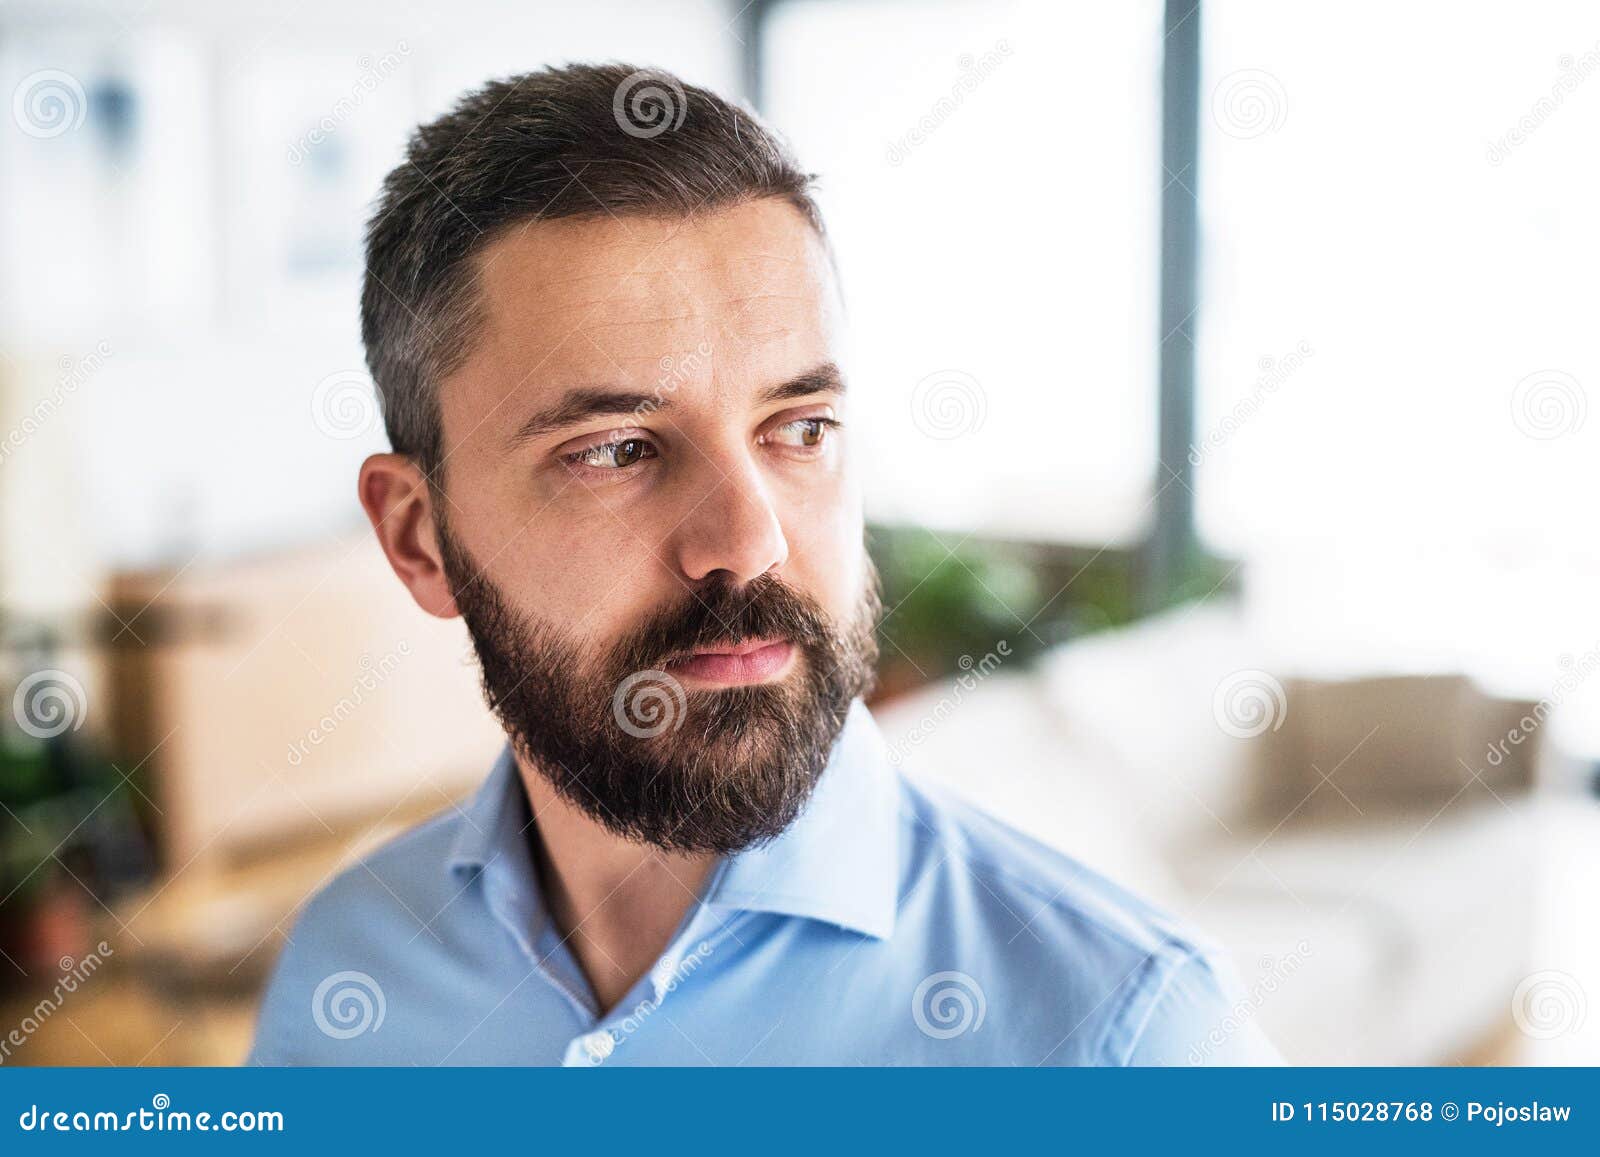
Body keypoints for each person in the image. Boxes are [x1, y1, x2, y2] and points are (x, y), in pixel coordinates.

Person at [247, 62, 1282, 1067]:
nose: (749, 539)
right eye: (614, 448)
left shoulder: (1127, 1041)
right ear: (418, 537)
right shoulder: (347, 971)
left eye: (800, 427)